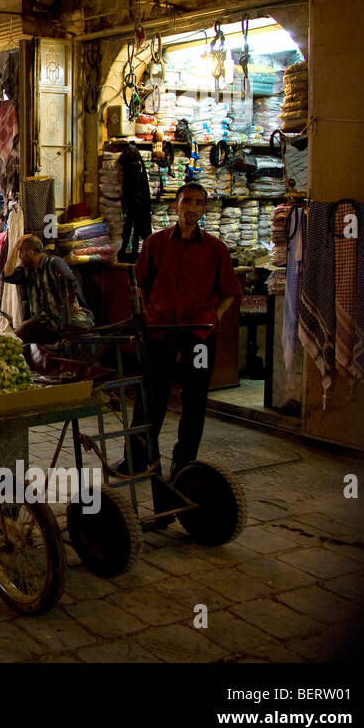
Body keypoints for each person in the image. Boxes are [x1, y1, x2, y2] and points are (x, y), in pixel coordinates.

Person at [122, 182, 242, 525]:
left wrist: (212, 320)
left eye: (199, 203)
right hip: (161, 333)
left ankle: (184, 467)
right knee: (152, 400)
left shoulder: (215, 249)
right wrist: (149, 312)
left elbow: (230, 291)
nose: (192, 207)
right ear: (176, 206)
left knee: (195, 400)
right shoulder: (156, 243)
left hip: (199, 338)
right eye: (187, 201)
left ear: (204, 210)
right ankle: (142, 459)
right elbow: (141, 280)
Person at [2, 234, 92, 345]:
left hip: (70, 319)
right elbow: (7, 275)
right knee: (16, 338)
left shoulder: (54, 263)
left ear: (30, 253)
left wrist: (65, 318)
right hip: (45, 321)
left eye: (21, 253)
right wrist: (16, 247)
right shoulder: (27, 271)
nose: (19, 257)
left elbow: (70, 286)